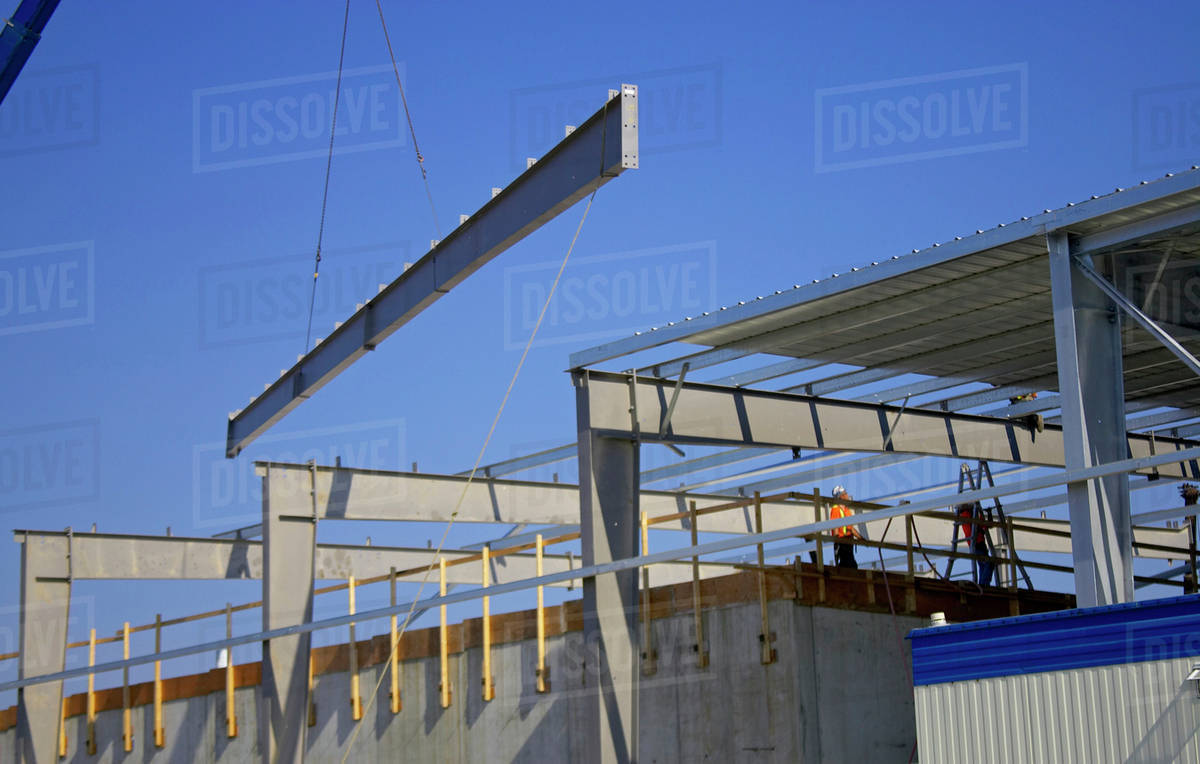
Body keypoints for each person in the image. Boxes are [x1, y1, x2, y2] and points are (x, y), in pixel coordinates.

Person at [956, 502, 994, 586]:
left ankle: (983, 584)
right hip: (976, 545)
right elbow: (977, 528)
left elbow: (987, 526)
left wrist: (989, 513)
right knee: (988, 563)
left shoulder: (973, 515)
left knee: (983, 565)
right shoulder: (966, 515)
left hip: (980, 544)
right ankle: (984, 585)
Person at [830, 486, 863, 569]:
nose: (847, 495)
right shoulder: (836, 509)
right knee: (848, 565)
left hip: (849, 541)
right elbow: (835, 527)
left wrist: (861, 538)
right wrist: (837, 543)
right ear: (841, 496)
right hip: (842, 542)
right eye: (845, 494)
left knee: (850, 564)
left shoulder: (846, 510)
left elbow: (850, 528)